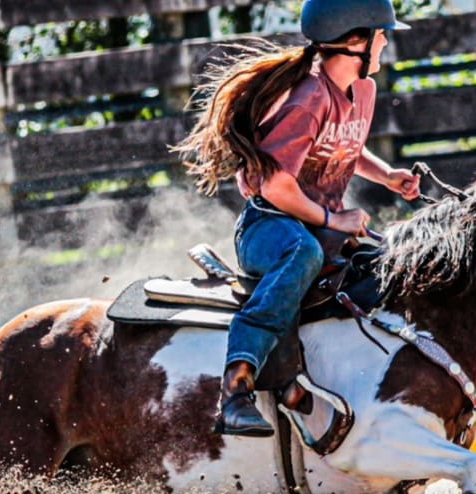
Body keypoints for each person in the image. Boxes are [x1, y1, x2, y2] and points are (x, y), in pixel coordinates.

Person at [175, 0, 421, 437]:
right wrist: (334, 219)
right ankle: (236, 387)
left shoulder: (362, 90)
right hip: (268, 226)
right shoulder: (306, 98)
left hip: (318, 225)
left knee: (395, 260)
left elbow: (344, 144)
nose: (385, 40)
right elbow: (275, 187)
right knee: (301, 251)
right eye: (379, 33)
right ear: (355, 41)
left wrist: (387, 177)